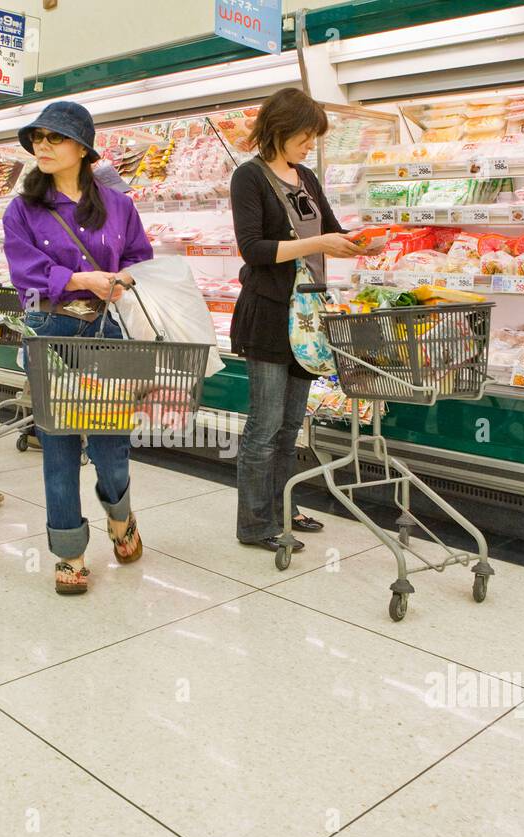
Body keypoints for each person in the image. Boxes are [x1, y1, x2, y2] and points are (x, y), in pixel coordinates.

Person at [2, 100, 153, 595]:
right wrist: (81, 277)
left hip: (106, 330)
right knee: (59, 446)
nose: (41, 147)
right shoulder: (22, 208)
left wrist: (124, 277)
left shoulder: (118, 204)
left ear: (83, 148)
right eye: (36, 139)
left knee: (111, 443)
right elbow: (24, 272)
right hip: (50, 330)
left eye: (54, 138)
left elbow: (139, 257)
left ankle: (120, 514)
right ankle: (68, 551)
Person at [229, 88, 362, 553]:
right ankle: (255, 523)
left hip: (307, 317)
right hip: (268, 313)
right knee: (263, 428)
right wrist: (318, 245)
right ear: (280, 129)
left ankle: (283, 506)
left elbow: (330, 230)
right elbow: (254, 250)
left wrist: (362, 243)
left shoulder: (304, 175)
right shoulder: (249, 177)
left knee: (290, 427)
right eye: (305, 136)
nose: (309, 145)